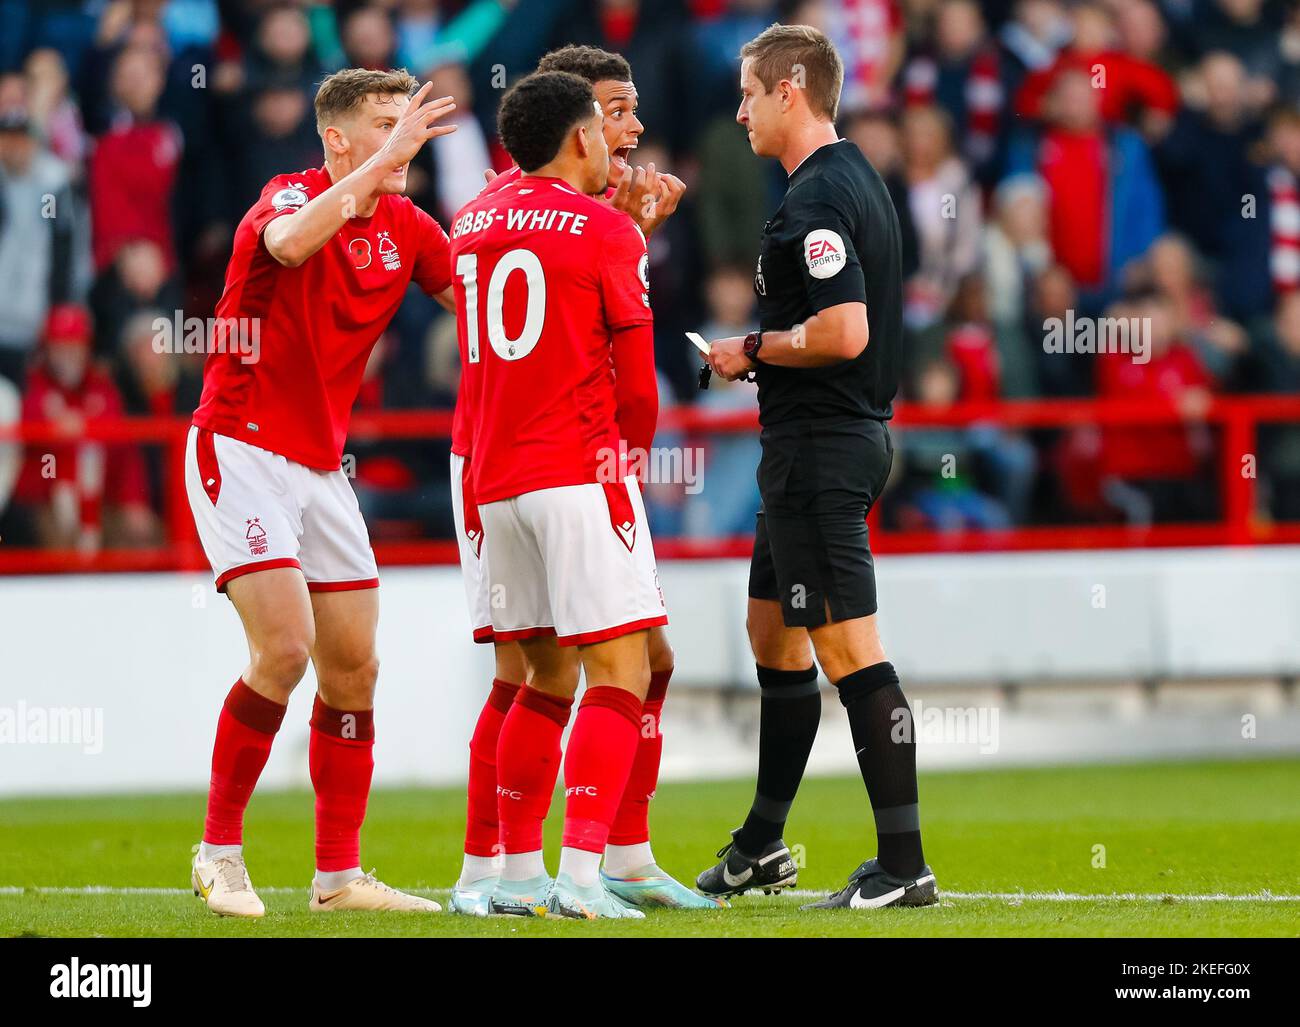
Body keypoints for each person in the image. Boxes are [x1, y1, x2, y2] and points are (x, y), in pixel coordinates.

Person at [447, 45, 715, 915]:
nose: (617, 140)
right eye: (606, 122)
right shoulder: (606, 231)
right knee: (618, 672)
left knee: (540, 675)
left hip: (492, 476)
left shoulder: (474, 219)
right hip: (579, 468)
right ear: (576, 134)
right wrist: (625, 471)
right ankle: (584, 874)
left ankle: (515, 876)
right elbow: (638, 386)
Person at [186, 68, 459, 918]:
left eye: (409, 119)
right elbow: (290, 246)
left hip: (320, 464)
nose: (404, 135)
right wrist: (377, 171)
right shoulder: (288, 196)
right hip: (240, 443)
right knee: (287, 648)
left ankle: (338, 876)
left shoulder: (410, 227)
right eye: (386, 123)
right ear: (337, 139)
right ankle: (218, 850)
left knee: (355, 667)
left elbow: (480, 299)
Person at [698, 23, 938, 910]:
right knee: (774, 635)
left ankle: (902, 865)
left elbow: (844, 332)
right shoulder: (851, 179)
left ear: (789, 91)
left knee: (849, 649)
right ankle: (762, 844)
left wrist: (748, 347)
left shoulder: (817, 199)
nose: (740, 111)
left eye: (750, 93)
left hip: (821, 450)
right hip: (815, 447)